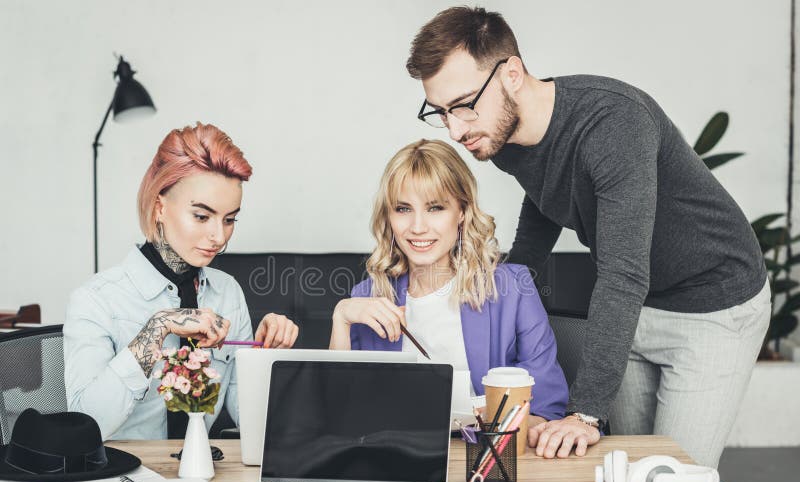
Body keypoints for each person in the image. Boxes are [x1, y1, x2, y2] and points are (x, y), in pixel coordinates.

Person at [405, 7, 770, 468]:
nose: (456, 129)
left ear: (512, 73)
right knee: (627, 473)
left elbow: (623, 272)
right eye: (440, 113)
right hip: (634, 311)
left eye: (462, 104)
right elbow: (545, 195)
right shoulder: (498, 134)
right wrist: (513, 280)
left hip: (713, 305)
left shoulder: (614, 124)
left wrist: (585, 412)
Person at [64, 123, 299, 440]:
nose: (219, 237)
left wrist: (266, 358)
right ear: (160, 207)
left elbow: (255, 423)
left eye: (229, 219)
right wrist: (157, 329)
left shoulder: (227, 292)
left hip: (207, 477)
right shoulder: (96, 300)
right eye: (202, 216)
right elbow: (85, 427)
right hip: (124, 480)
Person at [329, 139, 568, 426]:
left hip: (483, 459)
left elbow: (545, 408)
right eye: (403, 209)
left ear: (462, 211)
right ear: (388, 217)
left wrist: (491, 434)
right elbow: (338, 411)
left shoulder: (512, 288)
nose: (418, 227)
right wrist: (341, 316)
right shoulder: (367, 296)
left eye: (435, 208)